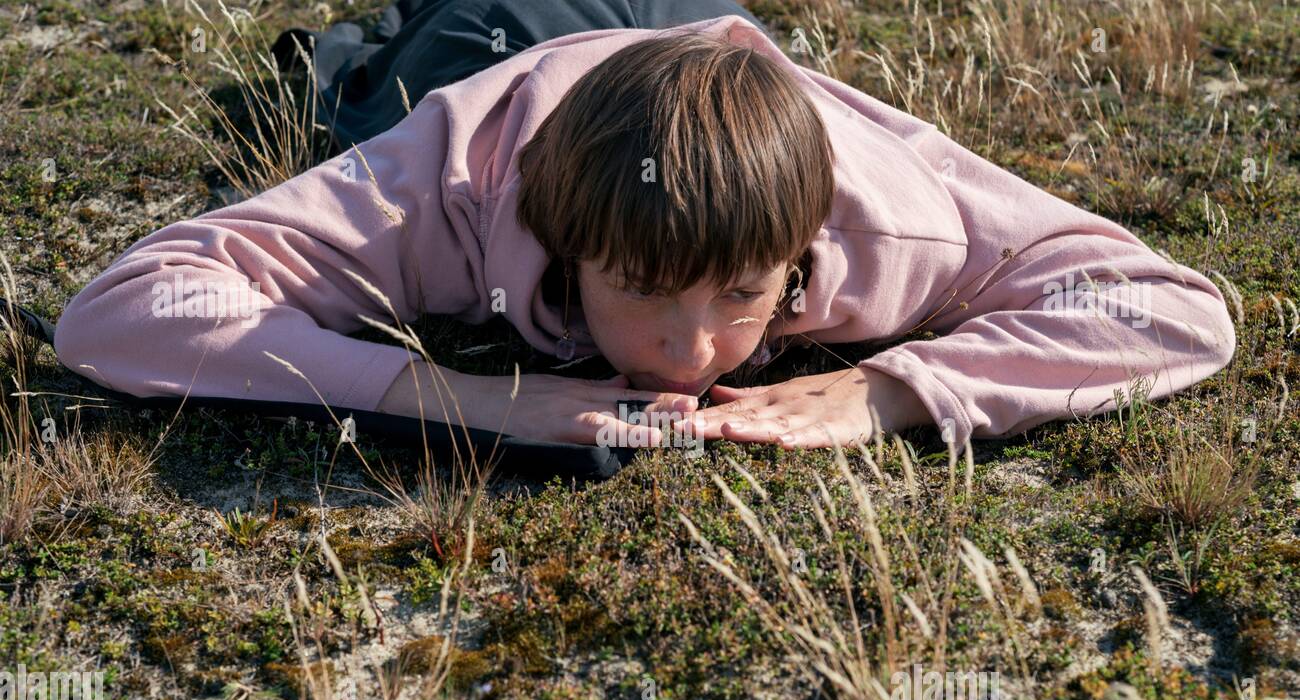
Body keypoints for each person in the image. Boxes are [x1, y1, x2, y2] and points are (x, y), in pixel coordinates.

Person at [53, 0, 1235, 453]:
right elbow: (121, 310)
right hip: (502, 37)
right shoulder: (450, 187)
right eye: (639, 286)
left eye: (739, 293)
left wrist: (889, 389)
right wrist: (458, 396)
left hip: (684, 20)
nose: (689, 355)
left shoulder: (899, 222)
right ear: (561, 240)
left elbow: (1173, 308)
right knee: (360, 80)